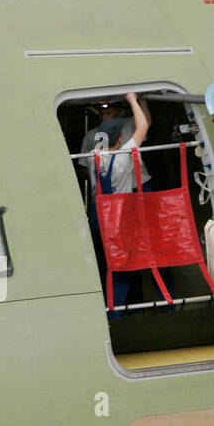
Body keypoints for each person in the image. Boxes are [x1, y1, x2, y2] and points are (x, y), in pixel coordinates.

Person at [88, 92, 152, 316]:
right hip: (120, 216)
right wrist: (133, 99)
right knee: (124, 267)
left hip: (100, 216)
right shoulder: (124, 155)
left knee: (108, 265)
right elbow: (143, 125)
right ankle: (116, 315)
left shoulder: (94, 155)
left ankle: (126, 309)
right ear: (121, 137)